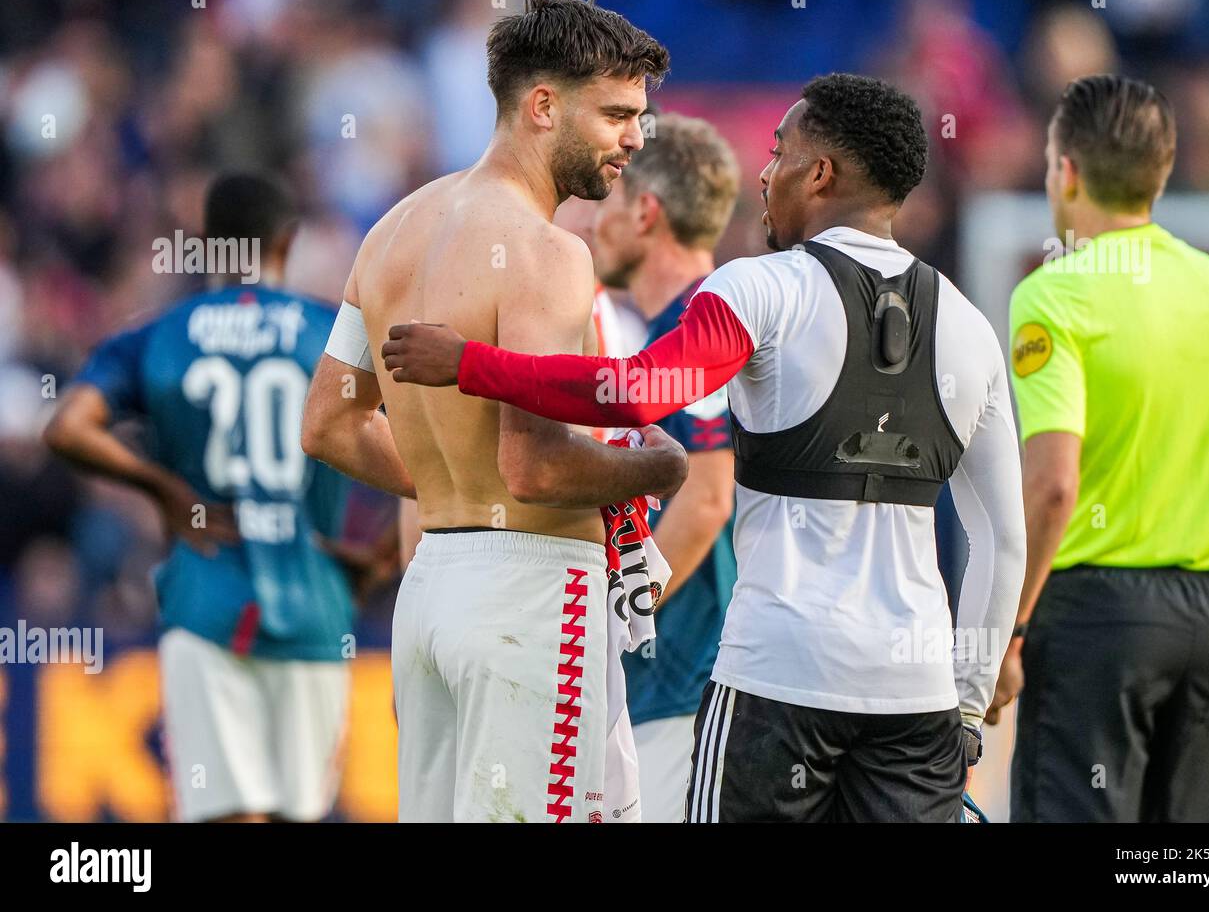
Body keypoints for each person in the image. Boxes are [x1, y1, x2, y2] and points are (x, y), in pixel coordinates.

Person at [380, 74, 1028, 822]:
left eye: (781, 151)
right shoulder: (972, 326)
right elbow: (1002, 538)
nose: (764, 171)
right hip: (916, 698)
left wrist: (469, 365)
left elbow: (635, 392)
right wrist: (970, 704)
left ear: (820, 174)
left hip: (777, 680)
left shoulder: (759, 290)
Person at [300, 0, 686, 823]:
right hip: (536, 599)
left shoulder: (390, 232)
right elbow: (535, 462)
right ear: (543, 105)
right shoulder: (549, 254)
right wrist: (658, 463)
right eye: (617, 114)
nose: (635, 139)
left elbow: (327, 424)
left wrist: (458, 490)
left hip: (434, 587)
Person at [985, 74, 1209, 822]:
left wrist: (1009, 630)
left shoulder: (1055, 294)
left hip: (1097, 615)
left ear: (1068, 173)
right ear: (1162, 172)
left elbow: (1053, 485)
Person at [44, 172, 362, 822]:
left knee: (222, 813)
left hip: (202, 595)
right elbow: (418, 438)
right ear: (288, 240)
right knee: (298, 813)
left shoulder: (159, 335)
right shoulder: (332, 333)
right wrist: (384, 553)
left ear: (207, 244)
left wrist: (161, 489)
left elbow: (68, 426)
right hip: (314, 599)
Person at [587, 112, 742, 822]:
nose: (596, 222)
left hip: (685, 674)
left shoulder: (696, 329)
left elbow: (708, 499)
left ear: (646, 213)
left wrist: (623, 617)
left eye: (611, 199)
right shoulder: (706, 323)